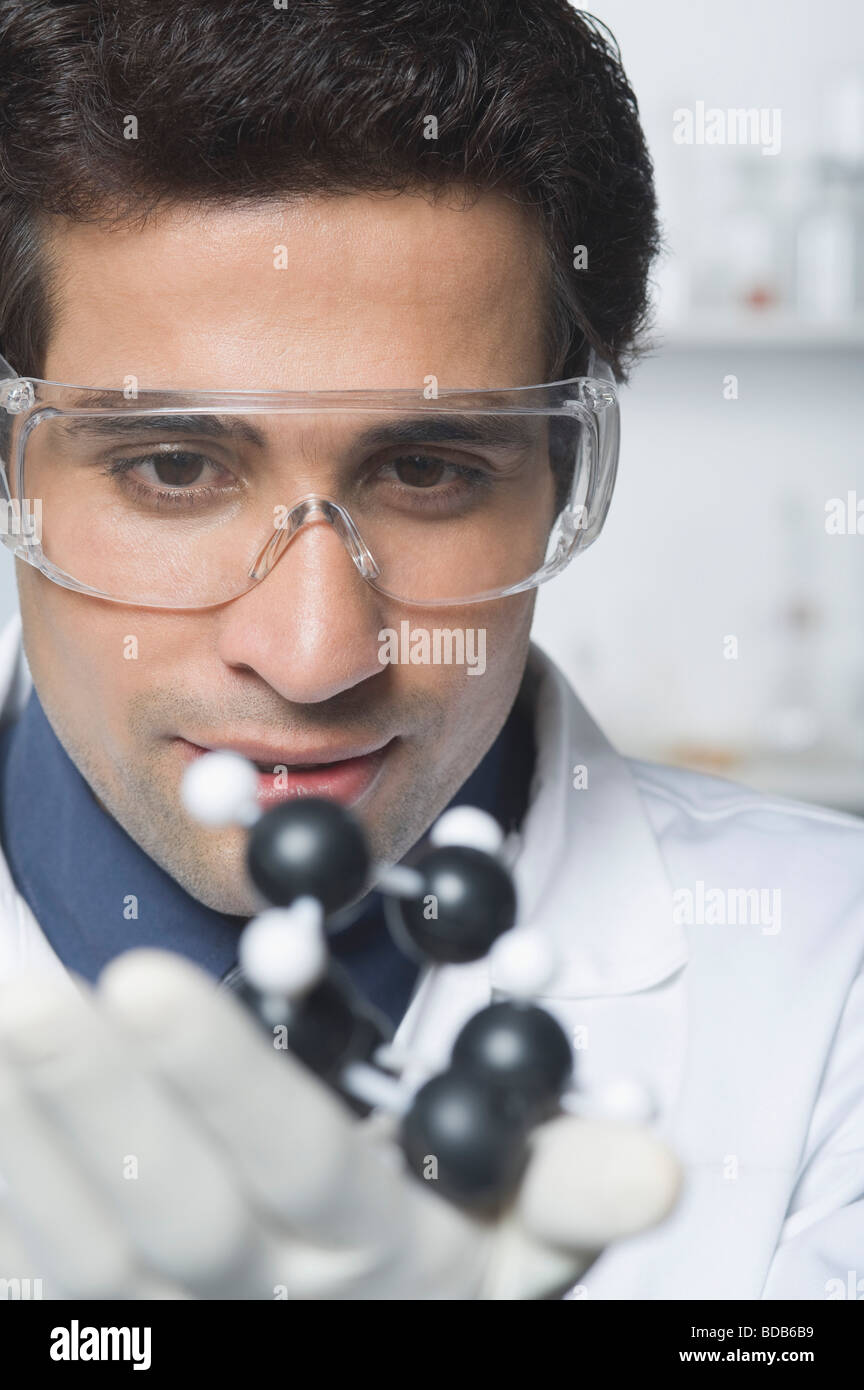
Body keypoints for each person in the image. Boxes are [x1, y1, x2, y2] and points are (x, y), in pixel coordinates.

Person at [0, 0, 860, 1302]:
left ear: (558, 472)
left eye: (426, 469)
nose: (311, 652)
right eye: (173, 467)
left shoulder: (833, 991)